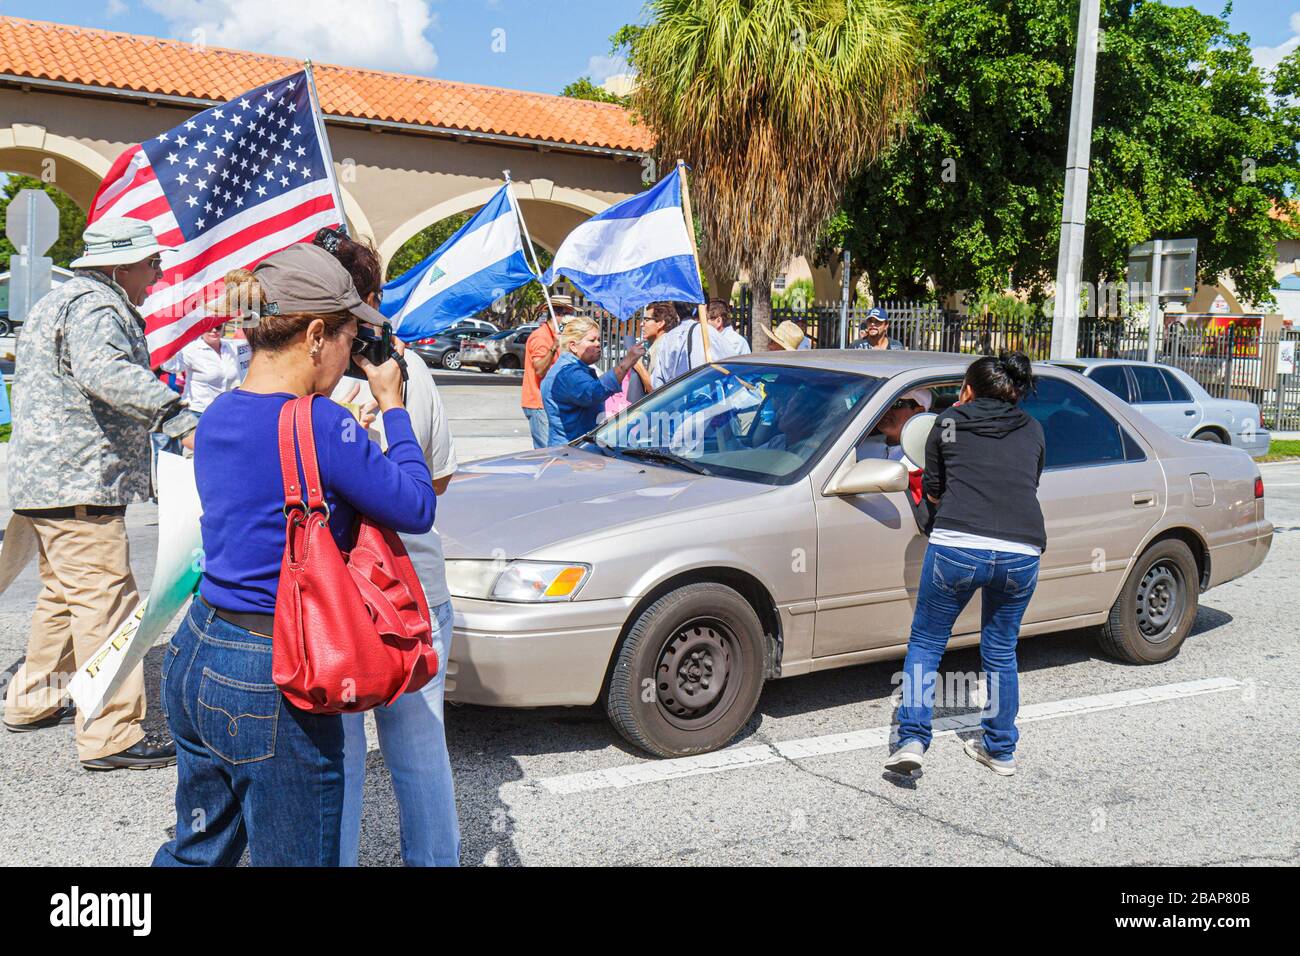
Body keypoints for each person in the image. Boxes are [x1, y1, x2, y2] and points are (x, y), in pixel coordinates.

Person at [154, 243, 435, 866]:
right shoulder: (322, 424)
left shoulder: (220, 411)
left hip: (200, 645)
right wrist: (393, 406)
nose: (351, 353)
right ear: (314, 335)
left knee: (199, 850)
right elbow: (417, 506)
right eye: (347, 336)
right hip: (276, 666)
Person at [4, 218, 197, 771]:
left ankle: (34, 700)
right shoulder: (98, 306)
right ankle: (110, 734)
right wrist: (176, 415)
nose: (155, 276)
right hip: (79, 482)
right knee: (108, 606)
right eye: (150, 264)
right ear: (120, 265)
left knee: (64, 598)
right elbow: (104, 370)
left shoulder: (62, 300)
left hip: (48, 483)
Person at [322, 232, 461, 867]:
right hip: (409, 592)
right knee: (418, 751)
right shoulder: (407, 372)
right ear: (371, 299)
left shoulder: (305, 388)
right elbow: (435, 480)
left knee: (339, 761)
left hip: (332, 606)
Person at [885, 352, 1045, 779]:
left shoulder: (949, 422)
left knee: (927, 643)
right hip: (1022, 550)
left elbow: (933, 491)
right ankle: (1001, 750)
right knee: (1000, 650)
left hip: (958, 544)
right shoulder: (1032, 427)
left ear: (968, 390)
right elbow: (1028, 481)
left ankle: (913, 740)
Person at [541, 316, 644, 444]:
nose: (598, 344)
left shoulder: (569, 368)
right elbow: (595, 392)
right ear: (573, 346)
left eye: (599, 339)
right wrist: (626, 363)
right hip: (571, 452)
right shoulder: (568, 373)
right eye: (592, 340)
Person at [650, 299, 750, 388]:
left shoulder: (667, 339)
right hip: (703, 404)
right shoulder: (708, 333)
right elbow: (734, 369)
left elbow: (656, 383)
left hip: (674, 404)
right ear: (703, 307)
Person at [520, 295, 576, 447]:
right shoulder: (541, 337)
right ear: (558, 314)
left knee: (555, 452)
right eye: (568, 315)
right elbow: (540, 370)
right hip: (539, 404)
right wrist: (554, 347)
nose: (571, 319)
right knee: (547, 453)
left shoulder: (557, 336)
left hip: (551, 402)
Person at [160, 324, 250, 415]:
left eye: (218, 326)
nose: (214, 330)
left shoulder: (231, 347)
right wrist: (167, 340)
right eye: (209, 327)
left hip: (225, 411)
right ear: (201, 329)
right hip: (198, 412)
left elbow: (252, 348)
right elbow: (168, 366)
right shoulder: (191, 349)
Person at [857, 388, 933, 461]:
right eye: (883, 404)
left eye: (896, 404)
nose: (885, 409)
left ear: (919, 412)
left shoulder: (927, 455)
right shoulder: (857, 446)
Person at [628, 301, 680, 400]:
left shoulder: (662, 346)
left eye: (646, 320)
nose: (641, 324)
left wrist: (638, 366)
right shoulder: (663, 343)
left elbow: (657, 391)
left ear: (660, 323)